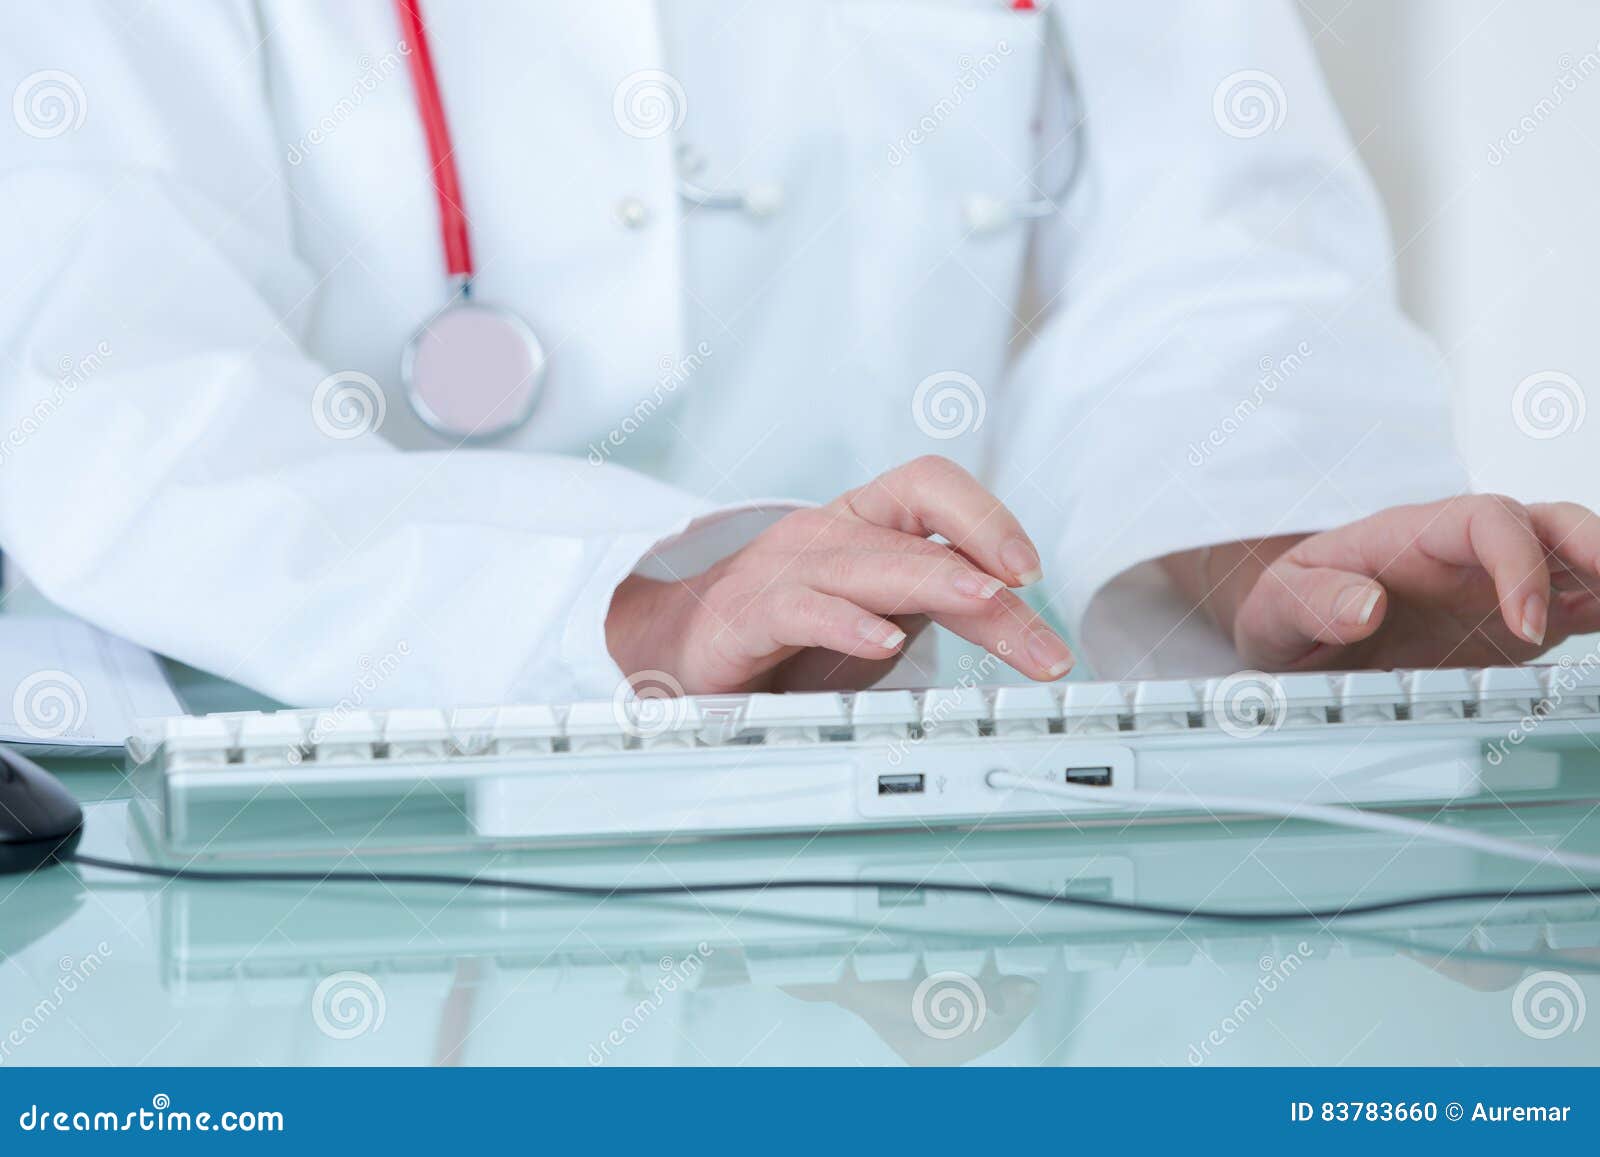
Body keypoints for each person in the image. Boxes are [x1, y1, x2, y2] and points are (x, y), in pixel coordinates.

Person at [1, 1, 1596, 710]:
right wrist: (623, 606)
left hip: (905, 856)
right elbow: (107, 380)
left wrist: (1264, 556)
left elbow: (1213, 254)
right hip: (285, 851)